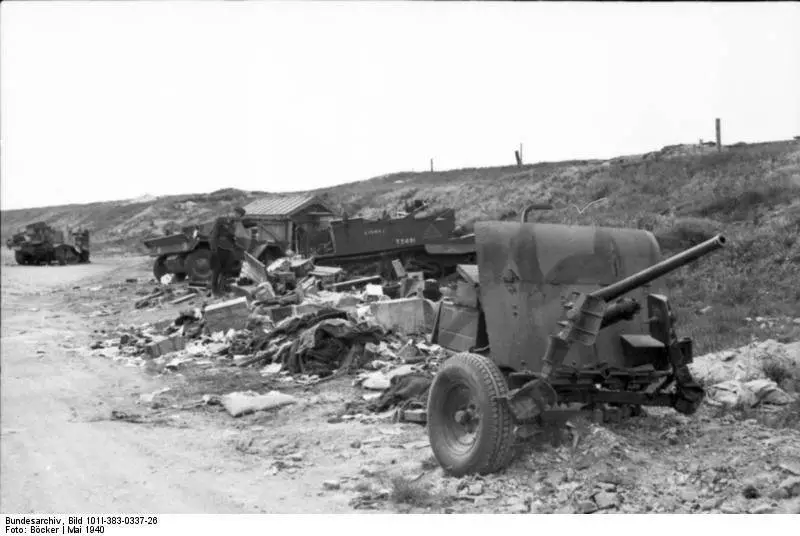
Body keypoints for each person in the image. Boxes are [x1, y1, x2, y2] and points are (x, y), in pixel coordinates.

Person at [209, 206, 251, 296]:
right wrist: (213, 249)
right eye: (237, 214)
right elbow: (213, 234)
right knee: (216, 269)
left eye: (240, 216)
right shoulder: (221, 220)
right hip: (218, 248)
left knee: (226, 269)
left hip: (227, 249)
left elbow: (231, 237)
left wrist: (237, 246)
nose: (238, 217)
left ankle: (222, 288)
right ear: (234, 213)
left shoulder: (233, 223)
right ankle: (214, 290)